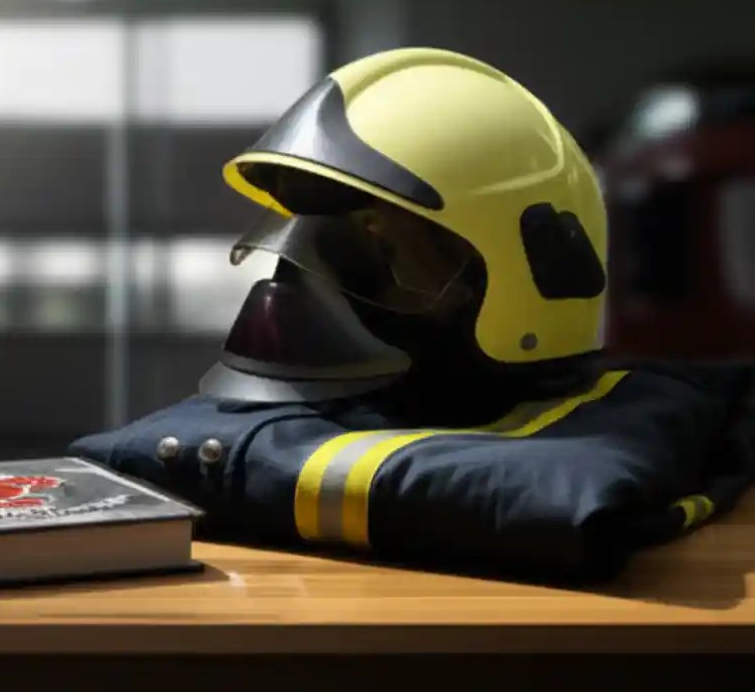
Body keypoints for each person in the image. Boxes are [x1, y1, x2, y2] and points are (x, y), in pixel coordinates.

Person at [70, 48, 755, 584]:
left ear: (536, 274)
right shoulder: (181, 449)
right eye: (307, 246)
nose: (299, 287)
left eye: (380, 254)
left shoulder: (602, 462)